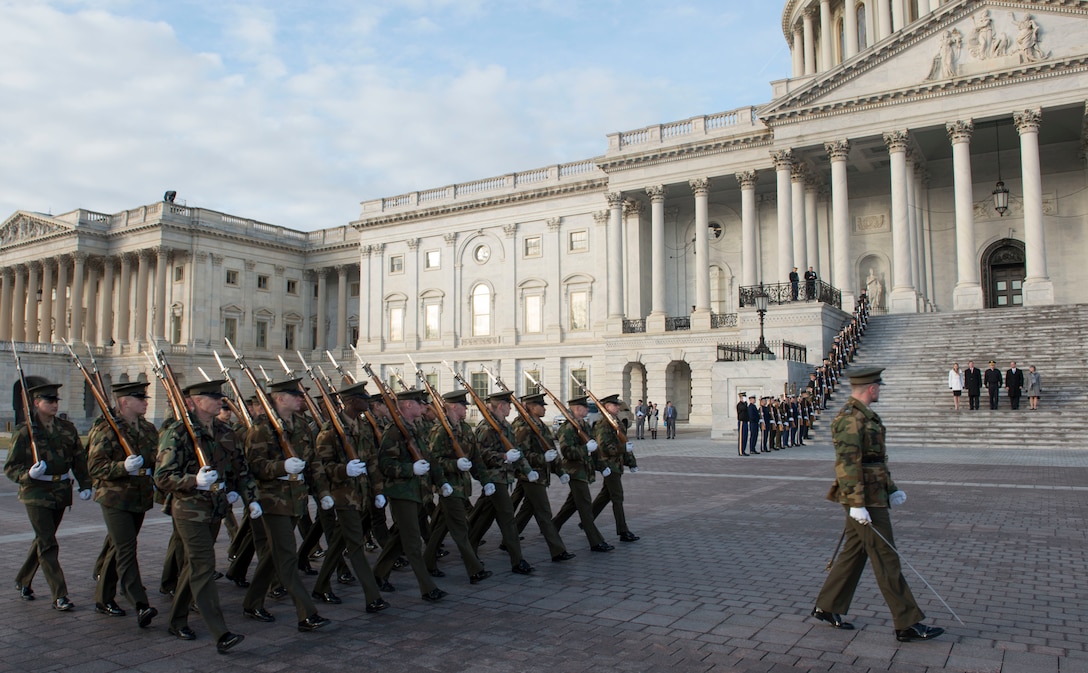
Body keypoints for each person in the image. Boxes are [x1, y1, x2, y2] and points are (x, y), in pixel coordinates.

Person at [810, 366, 944, 643]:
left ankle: (828, 605)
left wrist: (891, 489)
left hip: (873, 495)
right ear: (871, 388)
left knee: (854, 553)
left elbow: (876, 461)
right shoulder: (850, 419)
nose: (880, 390)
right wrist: (857, 503)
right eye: (878, 387)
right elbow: (847, 465)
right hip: (864, 500)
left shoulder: (865, 416)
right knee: (886, 558)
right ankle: (907, 622)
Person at [154, 379, 259, 653]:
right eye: (213, 397)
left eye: (220, 396)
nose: (219, 401)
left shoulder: (225, 431)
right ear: (196, 401)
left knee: (192, 567)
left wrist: (248, 497)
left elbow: (241, 468)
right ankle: (220, 632)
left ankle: (177, 620)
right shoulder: (178, 433)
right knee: (203, 566)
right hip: (189, 510)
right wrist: (193, 480)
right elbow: (163, 477)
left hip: (215, 509)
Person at [241, 379, 331, 632]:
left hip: (296, 500)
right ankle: (306, 613)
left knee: (274, 554)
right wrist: (281, 467)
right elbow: (253, 466)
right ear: (280, 398)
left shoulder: (301, 425)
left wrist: (322, 492)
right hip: (272, 501)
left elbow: (313, 463)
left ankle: (252, 602)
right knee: (287, 557)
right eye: (296, 395)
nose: (301, 398)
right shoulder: (261, 428)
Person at [4, 382, 93, 611]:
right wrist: (28, 474)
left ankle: (23, 579)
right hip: (36, 492)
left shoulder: (67, 428)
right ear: (36, 403)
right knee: (48, 543)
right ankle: (59, 594)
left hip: (60, 491)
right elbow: (11, 467)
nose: (54, 405)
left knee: (44, 539)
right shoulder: (25, 432)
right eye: (48, 401)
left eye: (55, 401)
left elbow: (78, 459)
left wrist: (85, 484)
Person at [311, 381, 390, 613]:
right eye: (363, 398)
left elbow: (372, 461)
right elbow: (321, 467)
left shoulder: (364, 427)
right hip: (343, 495)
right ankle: (372, 597)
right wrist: (343, 470)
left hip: (363, 494)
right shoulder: (329, 431)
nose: (367, 401)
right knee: (355, 544)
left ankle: (320, 586)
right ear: (351, 402)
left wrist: (378, 491)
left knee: (339, 542)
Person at [87, 381, 160, 627]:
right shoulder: (106, 428)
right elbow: (95, 466)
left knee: (117, 549)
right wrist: (122, 467)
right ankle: (140, 603)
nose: (145, 402)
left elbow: (156, 461)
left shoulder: (149, 429)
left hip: (138, 497)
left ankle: (103, 597)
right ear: (124, 402)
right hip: (114, 497)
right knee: (127, 549)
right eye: (139, 398)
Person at [373, 388, 450, 601]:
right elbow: (385, 464)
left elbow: (429, 457)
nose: (424, 406)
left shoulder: (413, 428)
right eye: (419, 402)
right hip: (402, 493)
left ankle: (378, 574)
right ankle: (427, 587)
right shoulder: (394, 431)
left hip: (418, 492)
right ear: (407, 405)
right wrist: (410, 470)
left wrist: (441, 481)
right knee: (413, 543)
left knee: (400, 537)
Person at [423, 390, 494, 584]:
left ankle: (427, 562)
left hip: (462, 487)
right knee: (461, 528)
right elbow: (434, 460)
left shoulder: (464, 428)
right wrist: (454, 465)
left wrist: (485, 480)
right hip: (448, 486)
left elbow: (476, 458)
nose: (466, 409)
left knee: (441, 526)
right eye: (464, 406)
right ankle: (474, 569)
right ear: (454, 407)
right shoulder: (440, 430)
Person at [466, 390, 536, 575]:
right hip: (493, 478)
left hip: (503, 478)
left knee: (484, 518)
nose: (510, 407)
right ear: (500, 405)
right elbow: (480, 455)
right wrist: (503, 456)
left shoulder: (505, 426)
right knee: (507, 519)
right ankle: (517, 560)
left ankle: (469, 549)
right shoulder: (486, 427)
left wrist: (527, 470)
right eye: (508, 404)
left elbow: (516, 450)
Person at [511, 393, 574, 563]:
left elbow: (551, 451)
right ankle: (557, 550)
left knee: (528, 509)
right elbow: (520, 453)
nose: (544, 408)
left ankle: (508, 539)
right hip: (531, 475)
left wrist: (560, 471)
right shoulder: (524, 426)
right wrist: (541, 459)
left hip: (540, 474)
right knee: (544, 512)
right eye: (541, 405)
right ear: (532, 407)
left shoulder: (541, 426)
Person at [551, 396, 612, 552]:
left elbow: (594, 448)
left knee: (572, 504)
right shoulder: (567, 428)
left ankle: (552, 527)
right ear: (577, 409)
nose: (587, 409)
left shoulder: (584, 425)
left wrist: (601, 466)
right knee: (585, 506)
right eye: (585, 407)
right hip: (574, 471)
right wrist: (586, 449)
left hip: (584, 470)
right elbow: (566, 451)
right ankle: (595, 541)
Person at [590, 394, 639, 543]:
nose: (618, 407)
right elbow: (603, 448)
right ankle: (623, 531)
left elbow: (625, 442)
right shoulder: (603, 424)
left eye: (617, 405)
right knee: (617, 497)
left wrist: (631, 462)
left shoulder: (617, 422)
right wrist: (622, 449)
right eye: (614, 405)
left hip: (617, 464)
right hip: (608, 465)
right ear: (606, 407)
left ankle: (585, 521)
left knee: (605, 496)